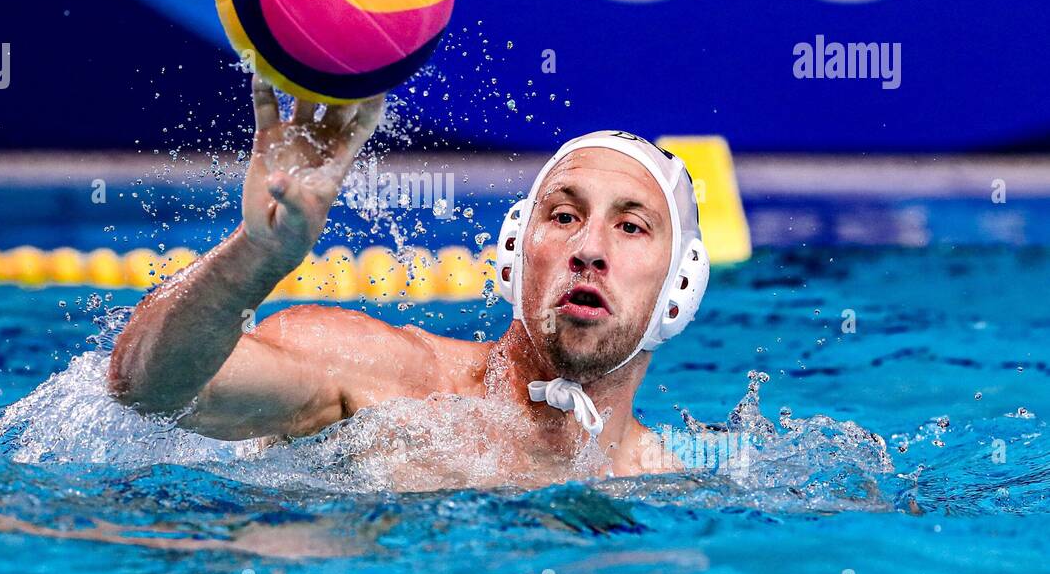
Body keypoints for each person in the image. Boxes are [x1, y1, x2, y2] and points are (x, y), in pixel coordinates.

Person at [108, 76, 709, 485]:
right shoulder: (379, 375)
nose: (589, 250)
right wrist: (257, 256)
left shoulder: (665, 484)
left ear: (682, 285)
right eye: (564, 217)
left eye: (631, 227)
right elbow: (151, 390)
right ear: (513, 252)